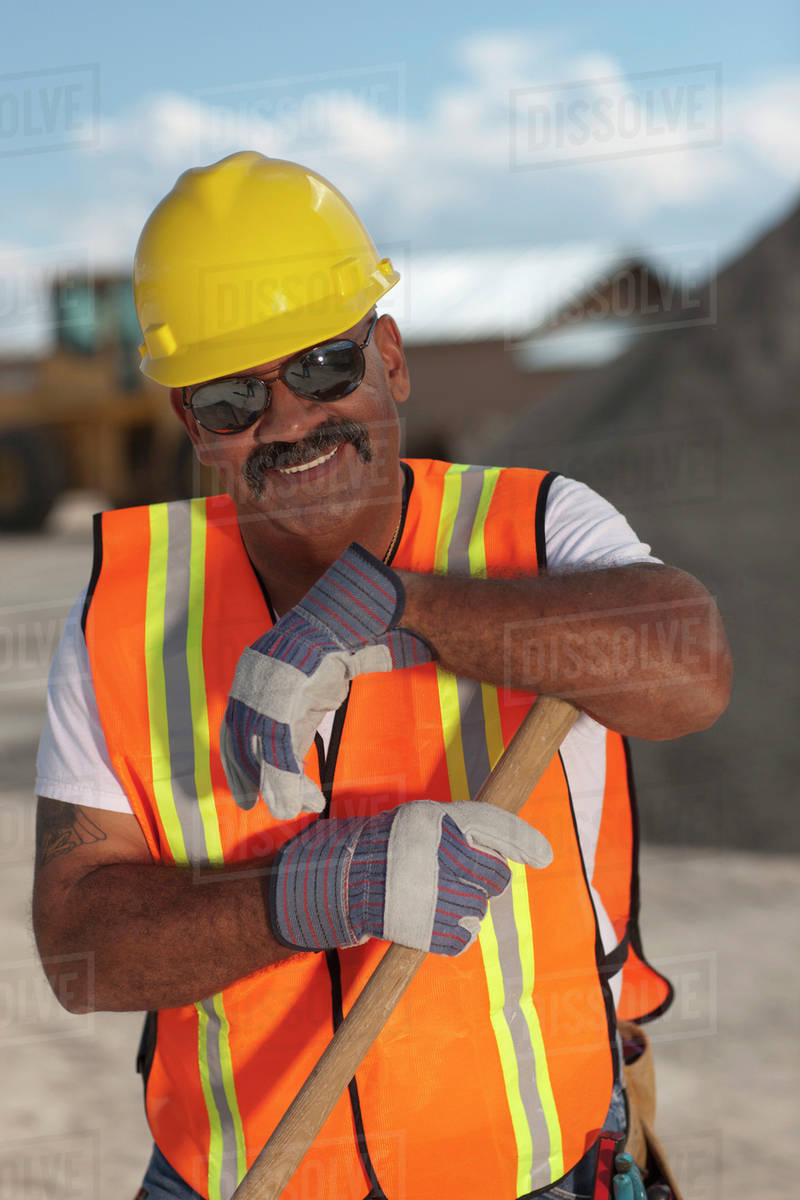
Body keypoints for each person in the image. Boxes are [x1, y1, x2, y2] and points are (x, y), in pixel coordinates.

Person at [32, 152, 731, 1200]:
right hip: (233, 1175)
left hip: (528, 1171)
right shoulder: (123, 611)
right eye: (232, 396)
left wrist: (404, 608)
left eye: (323, 367)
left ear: (389, 358)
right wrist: (304, 895)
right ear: (193, 426)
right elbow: (80, 949)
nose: (287, 420)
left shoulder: (537, 530)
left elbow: (689, 670)